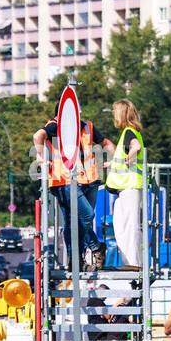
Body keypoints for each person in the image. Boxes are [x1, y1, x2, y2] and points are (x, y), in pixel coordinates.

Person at [34, 102, 115, 270]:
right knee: (86, 215)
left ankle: (75, 261)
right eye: (76, 110)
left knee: (74, 223)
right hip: (63, 181)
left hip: (90, 179)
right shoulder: (55, 126)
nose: (80, 112)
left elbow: (106, 143)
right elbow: (38, 136)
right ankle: (94, 246)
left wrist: (114, 160)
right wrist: (41, 157)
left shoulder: (87, 126)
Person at [104, 99, 146, 269]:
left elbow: (135, 147)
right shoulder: (130, 132)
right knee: (122, 224)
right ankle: (130, 262)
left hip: (130, 186)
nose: (114, 115)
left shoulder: (129, 132)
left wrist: (130, 158)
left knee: (129, 225)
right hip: (126, 188)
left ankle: (133, 263)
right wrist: (112, 164)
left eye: (115, 111)